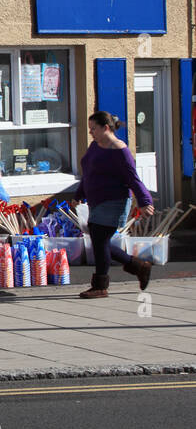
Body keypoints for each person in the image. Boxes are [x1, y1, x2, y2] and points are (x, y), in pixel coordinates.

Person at [71, 111, 155, 299]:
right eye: (90, 128)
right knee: (100, 242)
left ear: (106, 128)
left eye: (94, 129)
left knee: (100, 240)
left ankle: (100, 285)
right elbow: (88, 173)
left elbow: (133, 179)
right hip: (96, 201)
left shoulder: (119, 150)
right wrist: (79, 194)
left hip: (114, 201)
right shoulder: (95, 146)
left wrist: (144, 201)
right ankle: (139, 266)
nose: (91, 132)